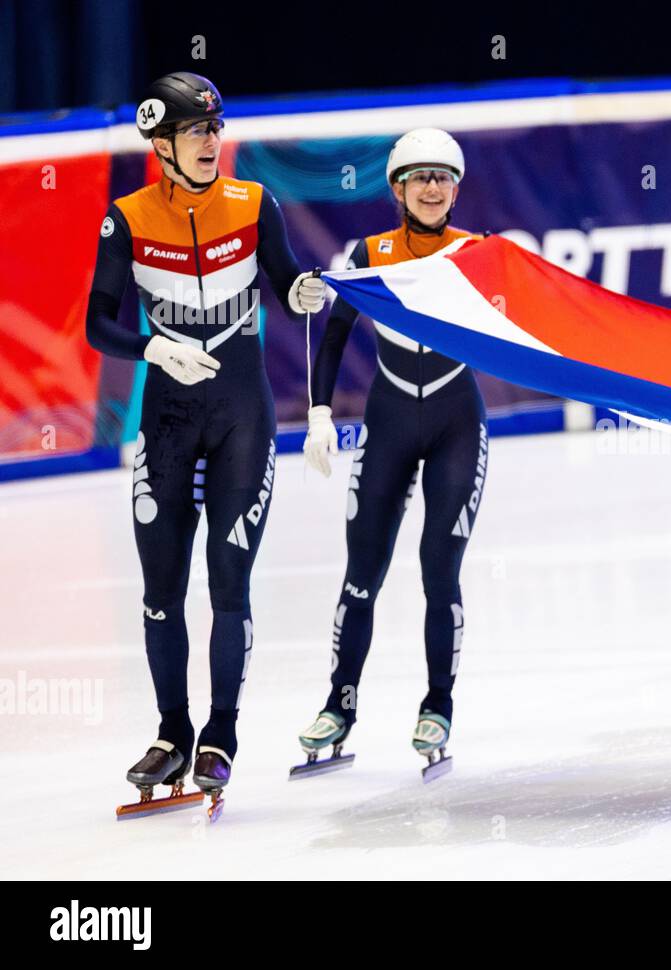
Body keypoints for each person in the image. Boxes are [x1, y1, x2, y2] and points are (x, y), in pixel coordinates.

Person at [86, 72, 325, 815]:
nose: (211, 143)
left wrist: (299, 294)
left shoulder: (254, 203)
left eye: (216, 129)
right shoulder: (126, 218)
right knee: (160, 593)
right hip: (166, 419)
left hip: (241, 418)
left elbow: (285, 284)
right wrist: (153, 351)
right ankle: (171, 731)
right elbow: (99, 322)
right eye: (196, 132)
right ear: (161, 146)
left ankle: (220, 733)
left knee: (228, 581)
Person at [293, 129, 488, 780]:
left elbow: (542, 324)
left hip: (458, 421)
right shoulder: (368, 253)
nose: (432, 188)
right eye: (418, 177)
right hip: (390, 420)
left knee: (440, 569)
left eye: (443, 177)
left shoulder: (480, 256)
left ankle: (438, 704)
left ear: (456, 188)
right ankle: (339, 705)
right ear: (398, 189)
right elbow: (334, 334)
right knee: (362, 572)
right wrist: (319, 412)